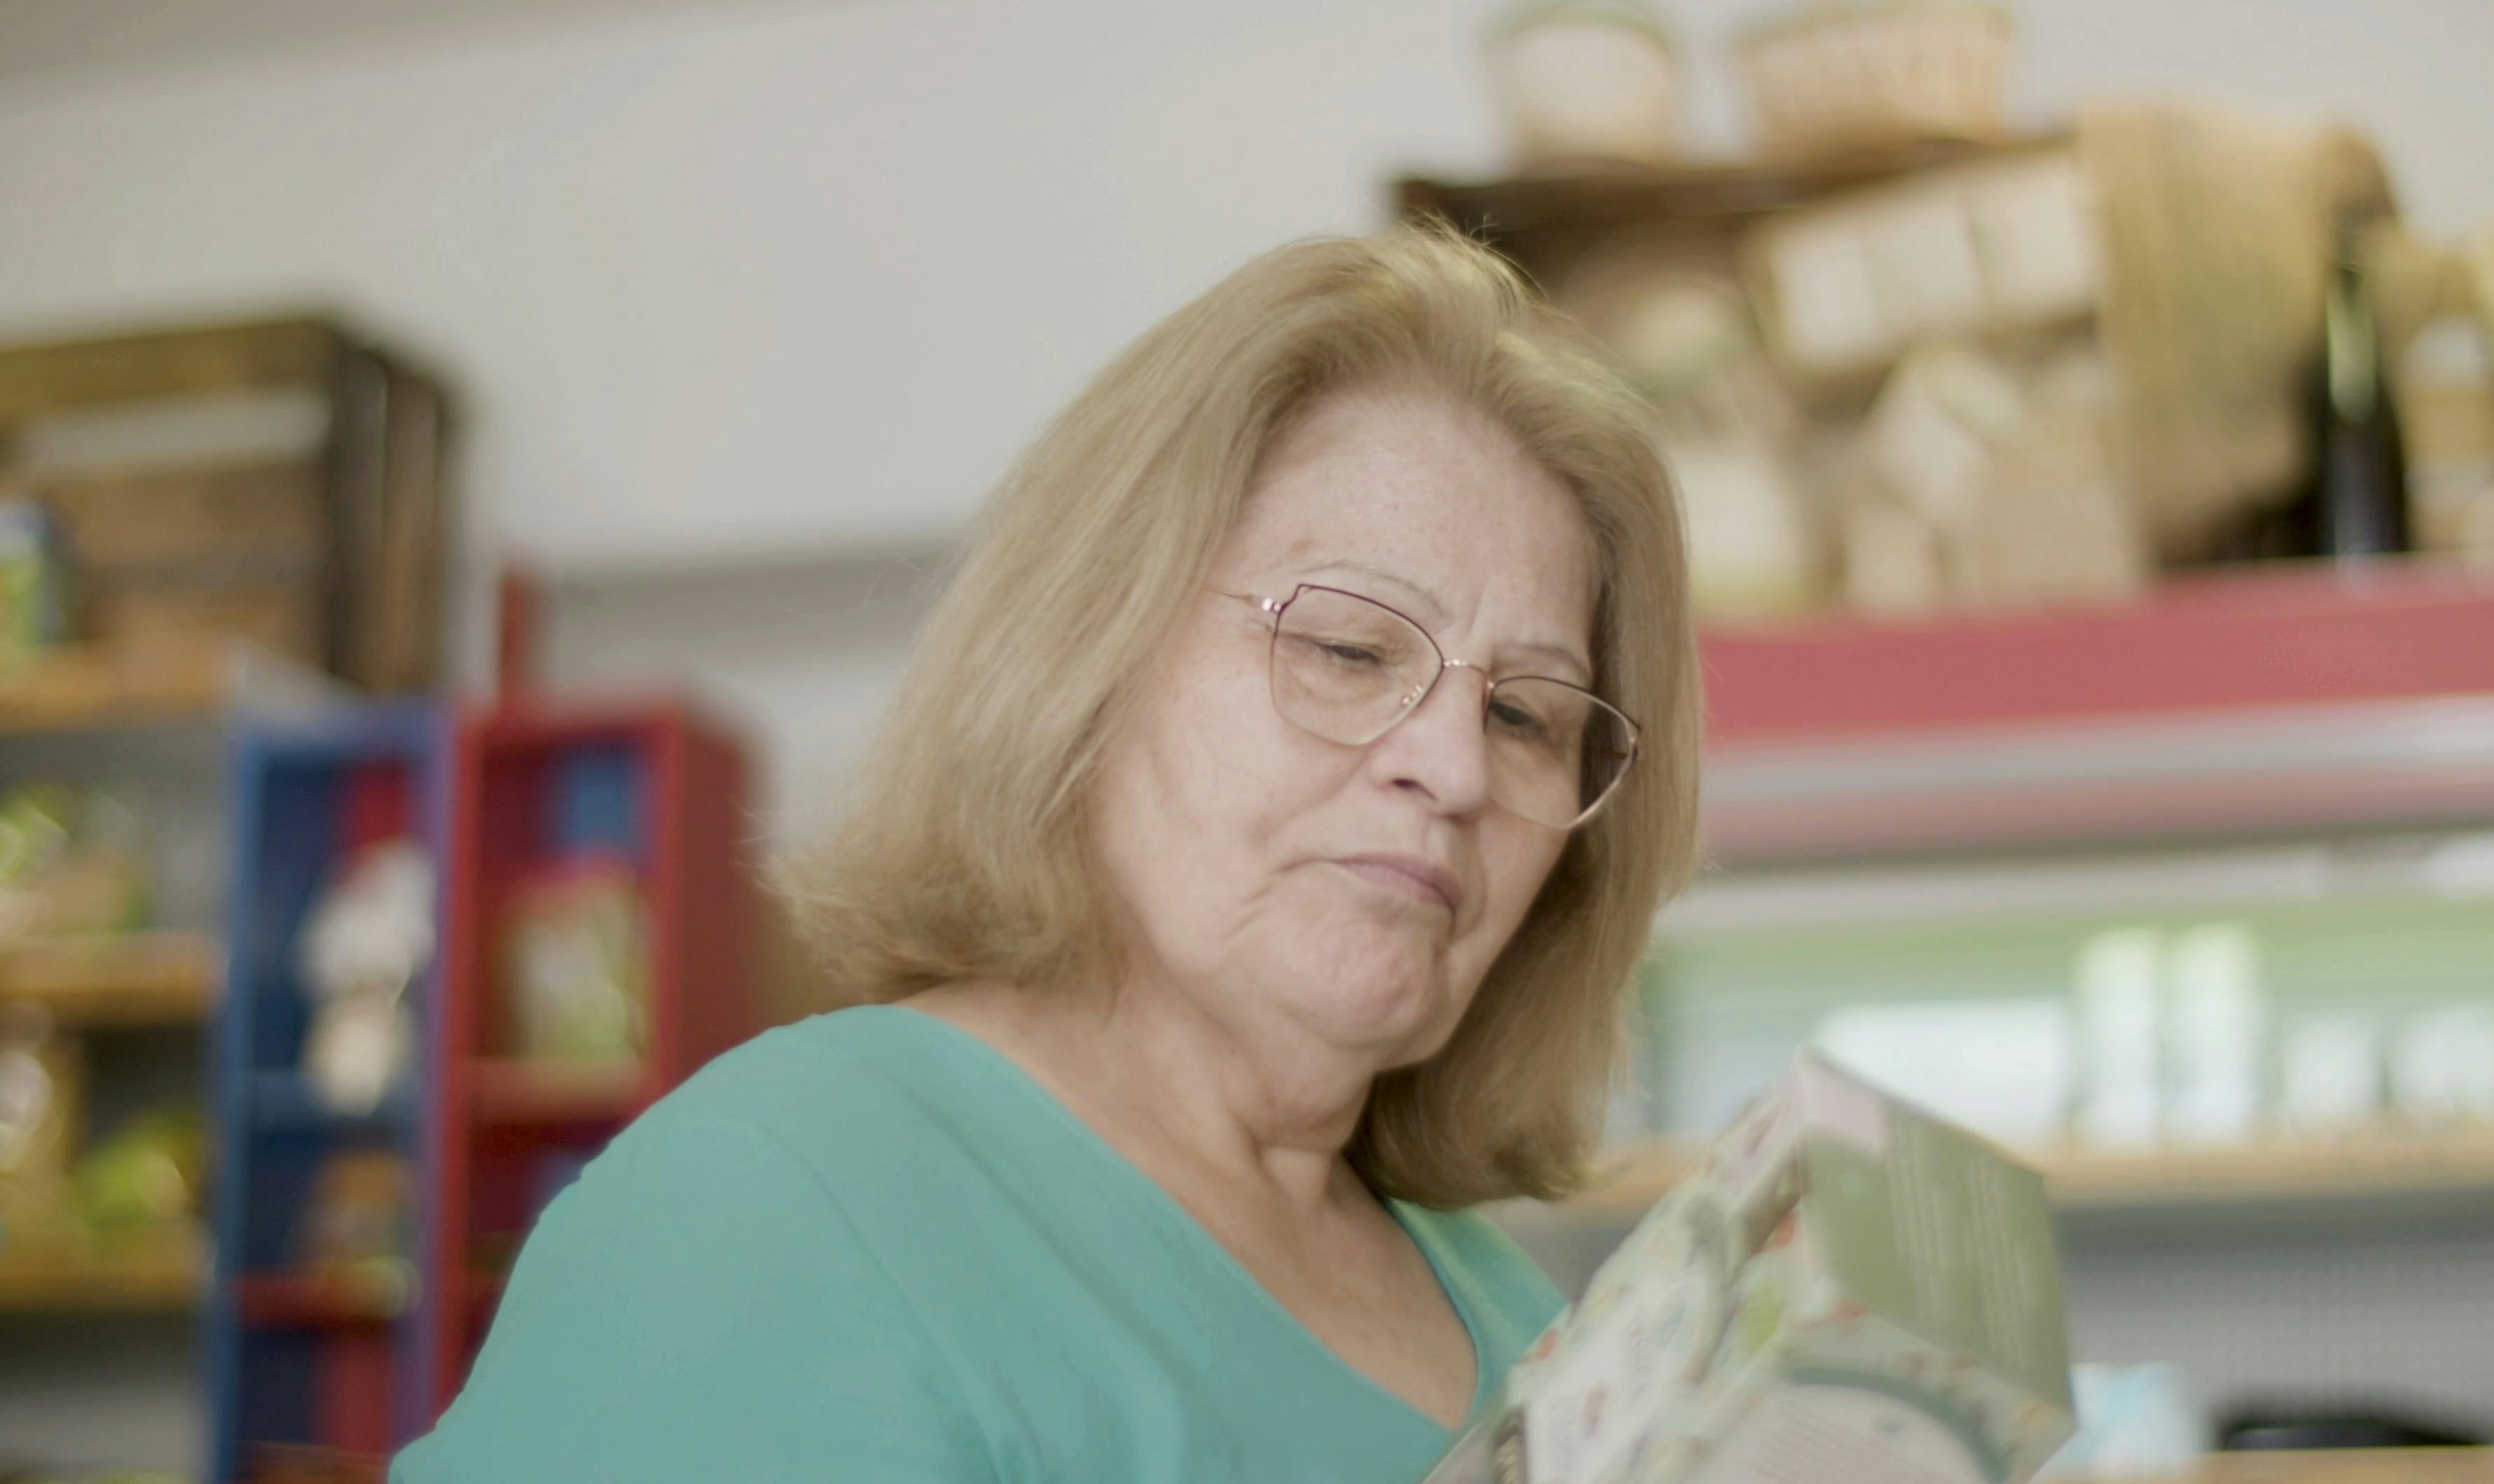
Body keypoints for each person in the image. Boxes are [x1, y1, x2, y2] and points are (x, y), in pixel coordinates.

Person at [390, 224, 1701, 1482]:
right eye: (1351, 648)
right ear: (1097, 647)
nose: (1459, 768)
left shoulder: (1533, 1329)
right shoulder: (774, 1206)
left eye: (1526, 714)